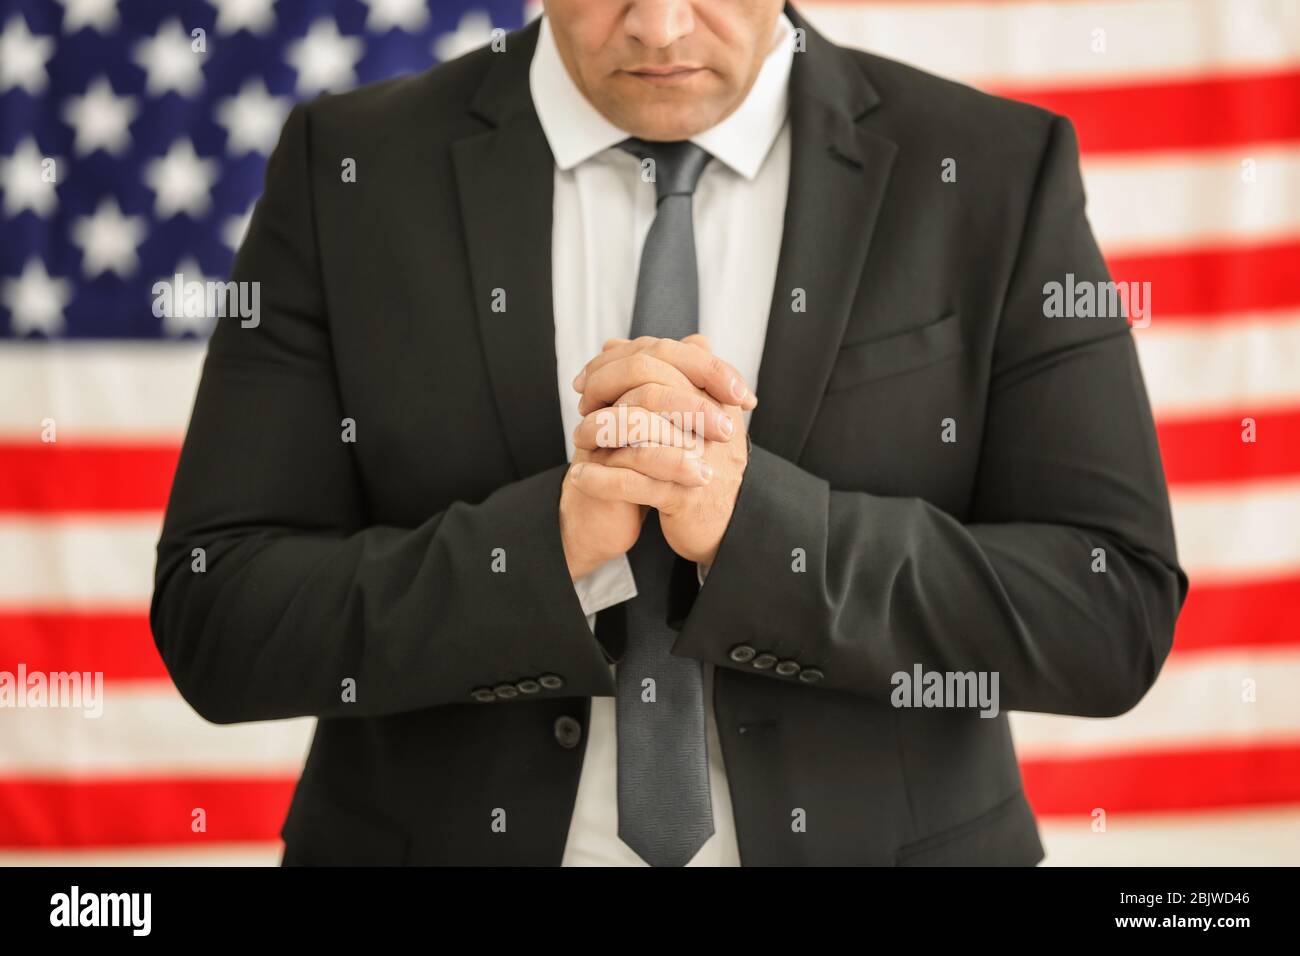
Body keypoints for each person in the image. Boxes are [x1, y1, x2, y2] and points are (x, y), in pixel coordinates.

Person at [151, 0, 1187, 866]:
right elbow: (220, 616)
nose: (656, 27)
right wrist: (542, 549)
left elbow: (1110, 612)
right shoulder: (351, 168)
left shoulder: (993, 168)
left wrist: (764, 533)